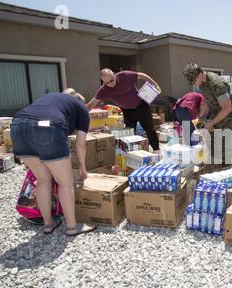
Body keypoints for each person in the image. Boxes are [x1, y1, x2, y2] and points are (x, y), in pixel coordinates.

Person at [10, 89, 96, 236]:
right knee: (65, 183)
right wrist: (82, 167)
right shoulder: (82, 108)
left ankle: (48, 224)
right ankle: (72, 228)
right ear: (81, 102)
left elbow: (33, 120)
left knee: (43, 180)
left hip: (17, 126)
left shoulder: (51, 98)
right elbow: (80, 144)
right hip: (48, 128)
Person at [87, 69, 162, 152]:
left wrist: (155, 84)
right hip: (127, 111)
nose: (111, 84)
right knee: (129, 132)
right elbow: (92, 103)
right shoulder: (104, 90)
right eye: (107, 83)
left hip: (141, 106)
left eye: (112, 80)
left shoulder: (125, 76)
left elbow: (142, 75)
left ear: (114, 74)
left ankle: (156, 149)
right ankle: (134, 152)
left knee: (149, 128)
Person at [183, 63, 232, 167]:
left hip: (228, 117)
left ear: (199, 74)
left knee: (222, 145)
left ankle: (225, 169)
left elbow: (227, 108)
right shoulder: (202, 84)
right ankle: (215, 166)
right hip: (217, 115)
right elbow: (207, 102)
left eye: (194, 81)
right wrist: (201, 117)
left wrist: (211, 122)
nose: (194, 84)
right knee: (211, 142)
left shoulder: (216, 83)